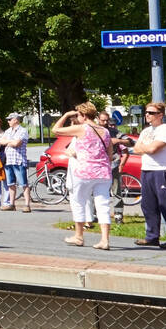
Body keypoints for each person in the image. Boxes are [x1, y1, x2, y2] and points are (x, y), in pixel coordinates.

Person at [52, 102, 113, 249]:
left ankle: (79, 236)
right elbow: (110, 154)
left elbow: (56, 130)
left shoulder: (82, 128)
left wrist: (66, 115)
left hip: (84, 171)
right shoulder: (105, 131)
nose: (77, 117)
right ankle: (105, 240)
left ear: (84, 115)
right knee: (103, 205)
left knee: (78, 201)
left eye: (78, 115)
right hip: (104, 172)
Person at [131, 102, 166, 249]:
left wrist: (144, 148)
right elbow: (136, 149)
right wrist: (145, 148)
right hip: (146, 170)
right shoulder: (146, 131)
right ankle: (152, 236)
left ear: (160, 115)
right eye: (147, 112)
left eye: (151, 113)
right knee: (148, 205)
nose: (147, 115)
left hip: (162, 170)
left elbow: (153, 149)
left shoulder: (165, 130)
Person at [0, 112, 31, 212]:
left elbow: (17, 143)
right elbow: (1, 141)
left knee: (23, 183)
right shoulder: (8, 131)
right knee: (10, 183)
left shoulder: (23, 131)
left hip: (19, 160)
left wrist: (8, 142)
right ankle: (12, 204)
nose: (8, 121)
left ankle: (27, 205)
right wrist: (10, 141)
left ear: (16, 120)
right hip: (8, 160)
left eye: (10, 119)